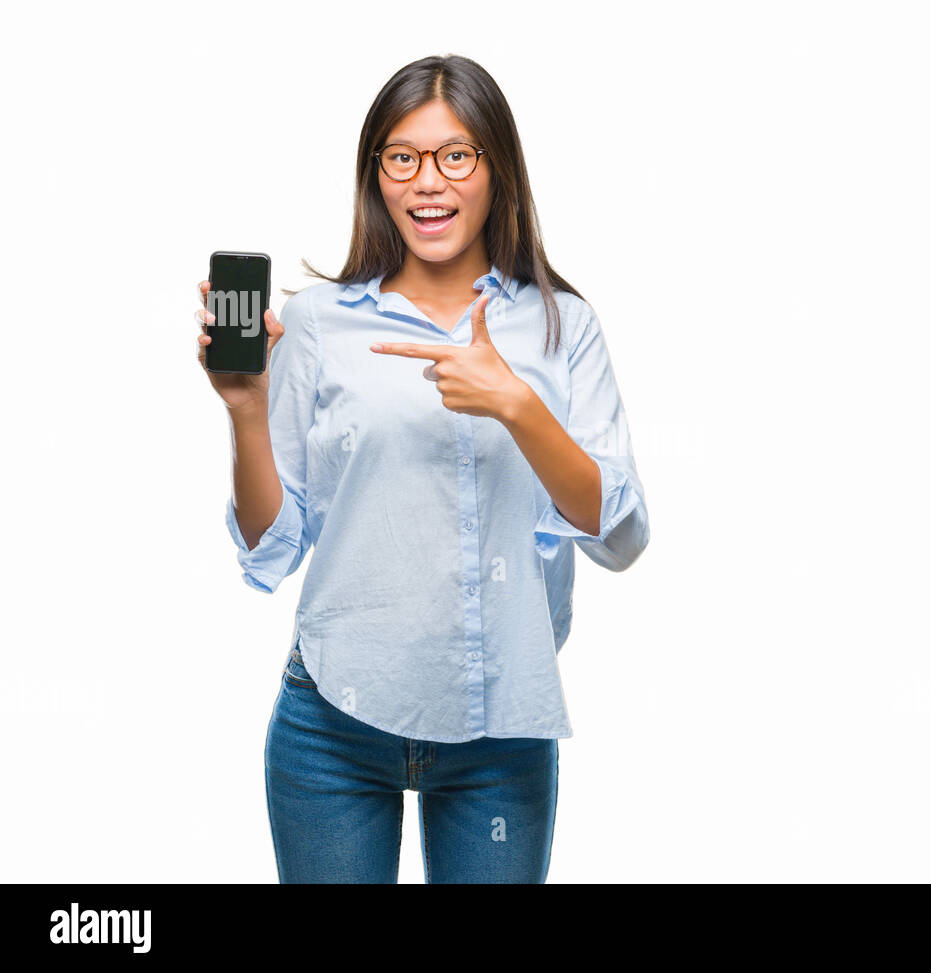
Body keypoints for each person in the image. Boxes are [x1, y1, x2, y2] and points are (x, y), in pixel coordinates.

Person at [193, 54, 649, 883]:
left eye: (455, 155)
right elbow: (273, 546)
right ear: (377, 173)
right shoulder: (319, 321)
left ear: (496, 169)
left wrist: (518, 404)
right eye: (402, 157)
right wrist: (246, 409)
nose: (426, 183)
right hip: (333, 720)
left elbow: (619, 536)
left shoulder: (561, 325)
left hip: (501, 728)